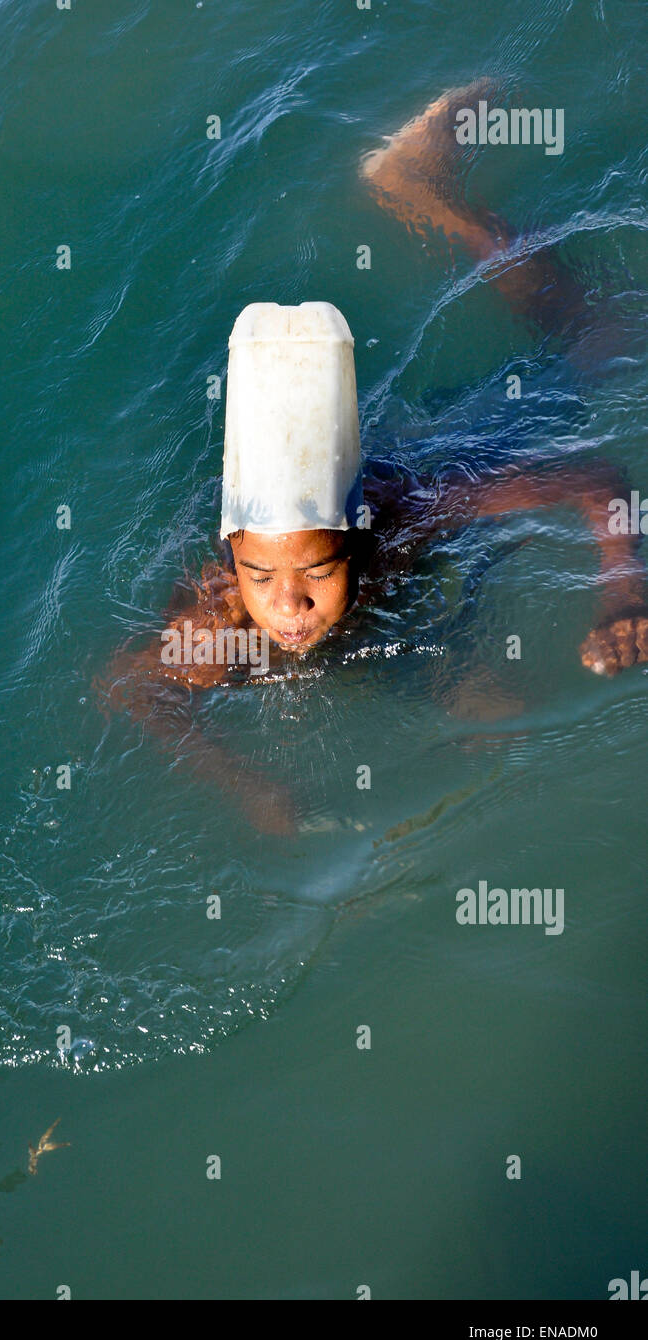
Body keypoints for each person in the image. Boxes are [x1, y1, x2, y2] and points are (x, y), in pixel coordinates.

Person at [97, 83, 648, 834]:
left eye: (317, 571)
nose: (288, 606)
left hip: (423, 504)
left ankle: (423, 194)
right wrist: (247, 788)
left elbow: (594, 478)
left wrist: (624, 589)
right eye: (262, 577)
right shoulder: (219, 623)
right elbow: (129, 689)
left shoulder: (410, 511)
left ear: (357, 540)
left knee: (601, 342)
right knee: (501, 728)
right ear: (232, 565)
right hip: (387, 639)